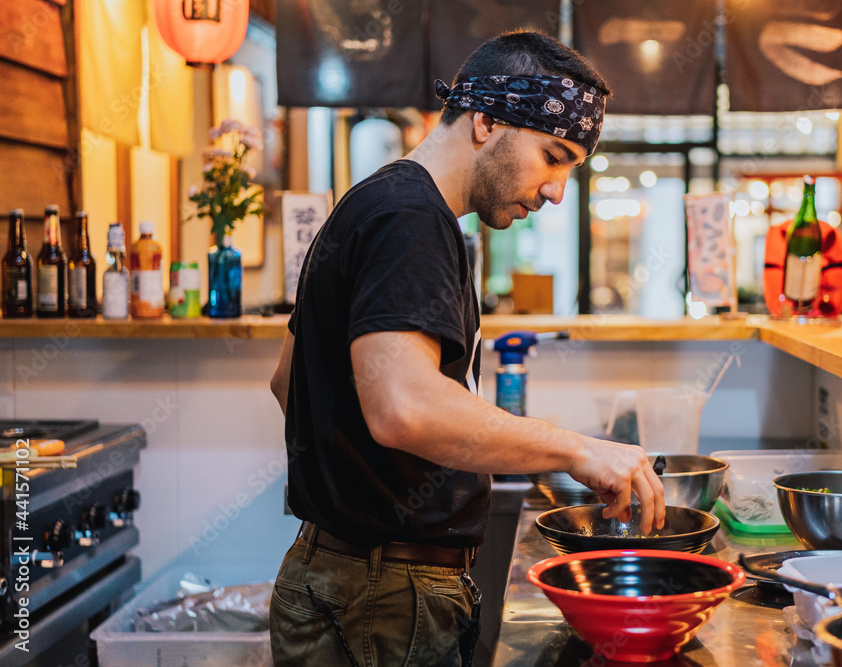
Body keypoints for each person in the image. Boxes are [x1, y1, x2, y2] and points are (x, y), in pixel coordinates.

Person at [268, 30, 666, 667]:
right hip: (385, 593)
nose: (558, 190)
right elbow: (404, 408)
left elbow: (288, 380)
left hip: (349, 576)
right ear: (485, 121)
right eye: (552, 155)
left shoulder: (373, 203)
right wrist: (575, 448)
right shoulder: (411, 219)